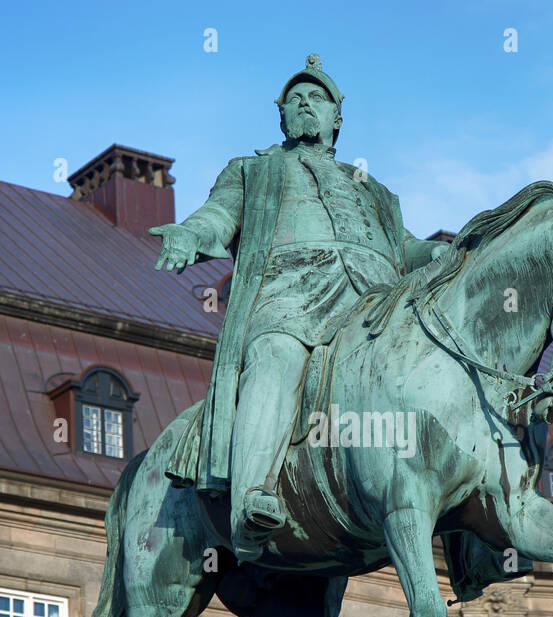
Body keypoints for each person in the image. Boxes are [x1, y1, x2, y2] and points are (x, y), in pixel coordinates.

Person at [151, 54, 448, 561]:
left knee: (443, 372)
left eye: (317, 98)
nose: (305, 103)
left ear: (338, 118)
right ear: (282, 115)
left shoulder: (372, 188)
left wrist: (449, 252)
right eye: (295, 98)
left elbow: (407, 249)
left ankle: (474, 545)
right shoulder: (254, 170)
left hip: (375, 304)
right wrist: (188, 233)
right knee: (277, 356)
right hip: (292, 294)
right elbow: (219, 218)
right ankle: (251, 498)